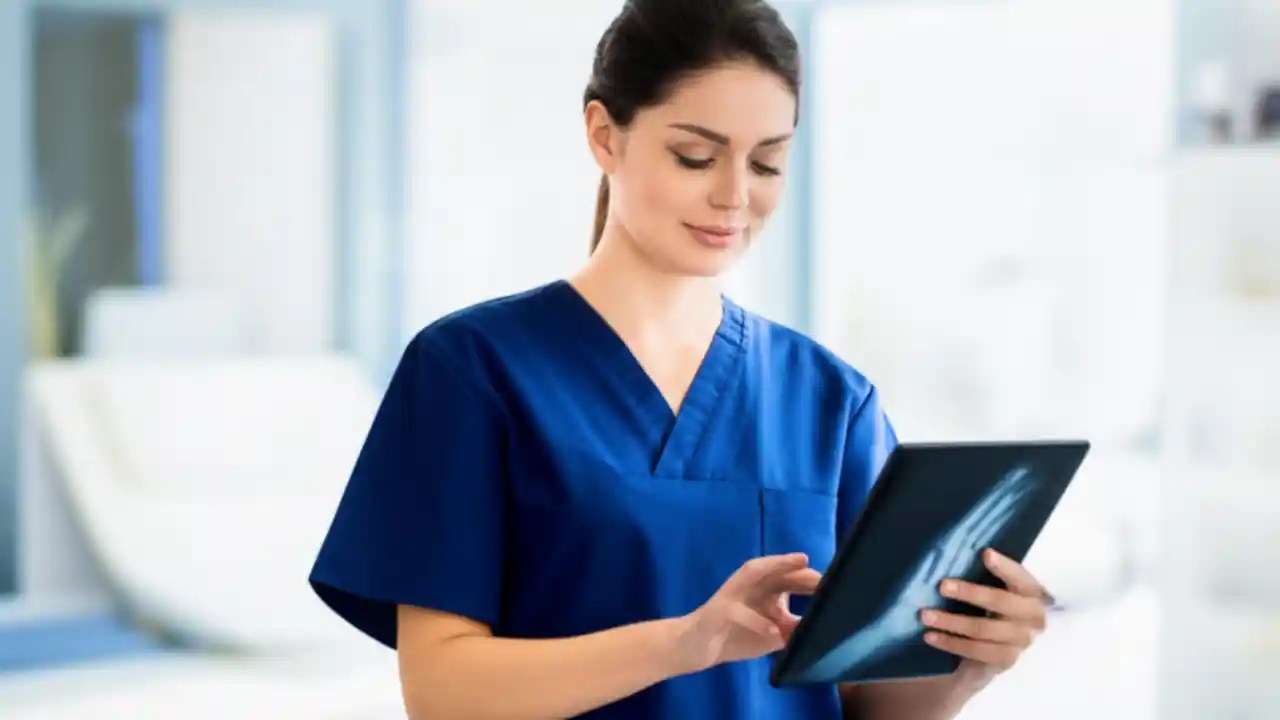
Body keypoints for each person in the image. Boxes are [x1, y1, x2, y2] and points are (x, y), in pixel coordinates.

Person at [308, 0, 1052, 717]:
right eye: (695, 155)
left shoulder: (830, 401)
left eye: (766, 164)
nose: (733, 196)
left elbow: (863, 704)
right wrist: (684, 643)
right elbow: (443, 692)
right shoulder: (474, 371)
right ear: (605, 135)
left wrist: (968, 666)